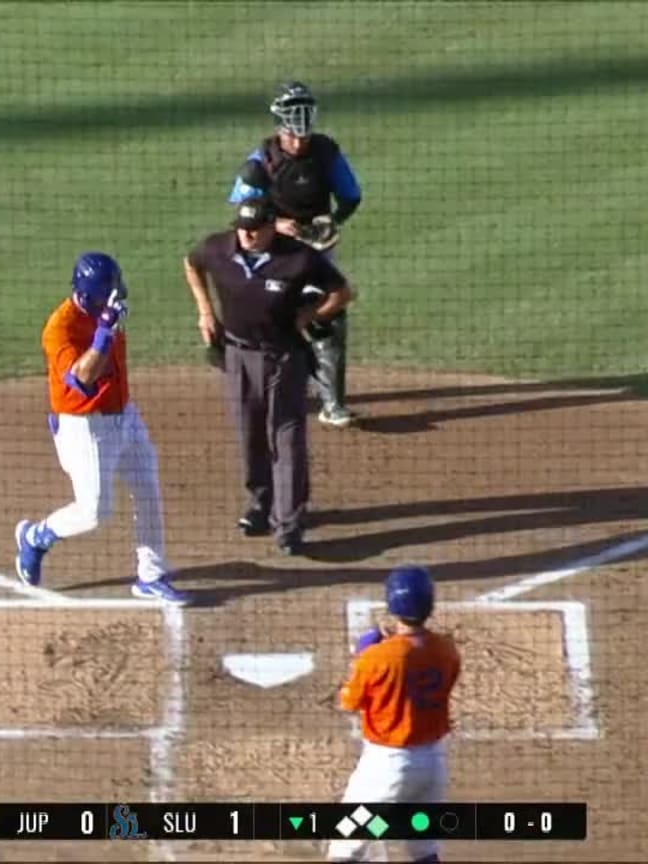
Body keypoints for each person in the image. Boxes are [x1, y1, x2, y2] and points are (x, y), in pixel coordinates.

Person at [13, 252, 189, 605]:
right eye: (107, 296)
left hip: (125, 417)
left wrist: (107, 325)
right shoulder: (59, 329)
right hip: (85, 428)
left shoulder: (109, 310)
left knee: (147, 489)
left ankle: (150, 575)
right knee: (95, 512)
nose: (115, 300)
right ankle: (36, 537)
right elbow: (83, 378)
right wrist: (103, 332)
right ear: (88, 294)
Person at [183, 196, 353, 555]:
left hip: (284, 360)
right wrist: (205, 312)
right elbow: (191, 264)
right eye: (242, 228)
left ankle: (289, 524)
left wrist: (309, 317)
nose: (247, 235)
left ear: (271, 226)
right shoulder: (219, 249)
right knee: (250, 435)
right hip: (237, 356)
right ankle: (261, 505)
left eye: (255, 229)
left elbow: (341, 292)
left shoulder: (299, 258)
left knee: (286, 438)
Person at [228, 80, 365, 428]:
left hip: (317, 253)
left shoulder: (326, 153)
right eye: (292, 135)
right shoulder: (262, 159)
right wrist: (278, 224)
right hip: (274, 253)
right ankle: (268, 389)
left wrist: (332, 222)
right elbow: (242, 205)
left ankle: (332, 403)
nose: (298, 141)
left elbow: (351, 196)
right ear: (280, 126)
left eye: (302, 136)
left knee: (330, 318)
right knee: (269, 317)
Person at [328, 566, 461, 864]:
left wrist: (364, 657)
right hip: (433, 764)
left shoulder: (377, 658)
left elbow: (349, 702)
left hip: (389, 765)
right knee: (423, 847)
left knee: (346, 840)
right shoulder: (448, 649)